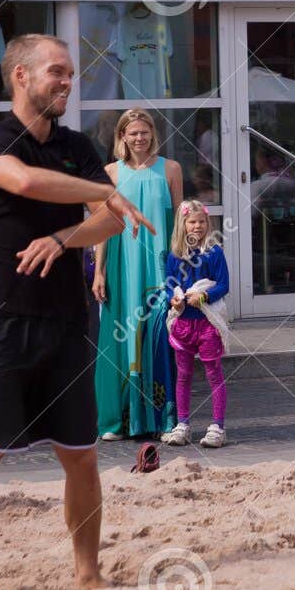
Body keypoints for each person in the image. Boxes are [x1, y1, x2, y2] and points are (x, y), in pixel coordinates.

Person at [0, 34, 156, 590]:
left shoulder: (74, 145)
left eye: (71, 74)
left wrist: (63, 235)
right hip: (4, 321)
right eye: (57, 73)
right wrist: (104, 191)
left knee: (82, 458)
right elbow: (24, 181)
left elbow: (109, 222)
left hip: (68, 321)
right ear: (20, 76)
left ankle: (88, 574)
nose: (67, 83)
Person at [92, 108, 181, 440]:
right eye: (133, 133)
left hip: (159, 265)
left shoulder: (171, 169)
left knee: (158, 334)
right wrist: (98, 272)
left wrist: (181, 267)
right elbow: (102, 227)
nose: (139, 138)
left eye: (144, 132)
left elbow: (180, 225)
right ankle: (120, 419)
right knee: (121, 334)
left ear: (152, 134)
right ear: (122, 137)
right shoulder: (110, 174)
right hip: (121, 263)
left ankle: (162, 417)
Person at [161, 200, 230, 449]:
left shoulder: (214, 252)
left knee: (214, 373)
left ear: (208, 223)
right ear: (183, 224)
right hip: (184, 325)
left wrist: (203, 296)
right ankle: (182, 424)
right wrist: (175, 299)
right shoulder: (174, 256)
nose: (197, 226)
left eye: (201, 221)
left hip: (207, 324)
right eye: (192, 222)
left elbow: (223, 284)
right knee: (183, 375)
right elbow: (169, 284)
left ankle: (218, 426)